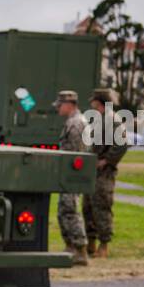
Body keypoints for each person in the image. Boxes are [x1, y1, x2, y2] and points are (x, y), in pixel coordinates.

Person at [83, 89, 127, 258]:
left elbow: (122, 144)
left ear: (99, 102)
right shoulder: (99, 119)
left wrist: (107, 160)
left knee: (101, 207)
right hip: (93, 172)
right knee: (88, 207)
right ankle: (91, 243)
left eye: (93, 101)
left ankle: (104, 245)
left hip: (104, 174)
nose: (91, 104)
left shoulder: (113, 120)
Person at [53, 90, 89, 266]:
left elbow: (74, 154)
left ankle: (80, 250)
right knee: (64, 210)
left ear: (69, 105)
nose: (58, 109)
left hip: (72, 176)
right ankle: (70, 248)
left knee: (71, 211)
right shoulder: (73, 122)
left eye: (60, 105)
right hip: (68, 175)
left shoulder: (76, 124)